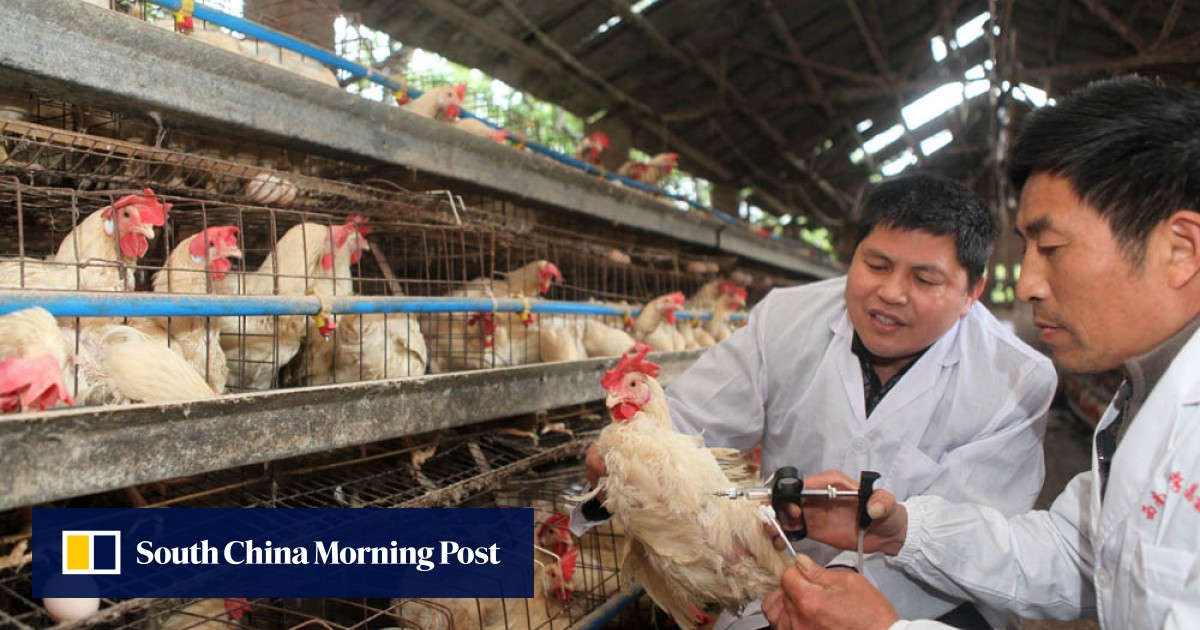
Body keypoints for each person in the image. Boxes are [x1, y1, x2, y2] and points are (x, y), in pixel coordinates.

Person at [762, 75, 1200, 630]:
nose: (1027, 286)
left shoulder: (1030, 379)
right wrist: (900, 530)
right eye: (1027, 250)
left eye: (1053, 248)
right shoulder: (1145, 395)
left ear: (1180, 250)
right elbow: (1075, 553)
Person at [576, 172, 1057, 629]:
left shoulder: (1015, 379)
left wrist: (843, 591)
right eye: (877, 265)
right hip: (775, 583)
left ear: (972, 290)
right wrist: (631, 456)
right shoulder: (785, 317)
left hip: (929, 606)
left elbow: (974, 536)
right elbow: (688, 418)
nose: (891, 293)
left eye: (925, 280)